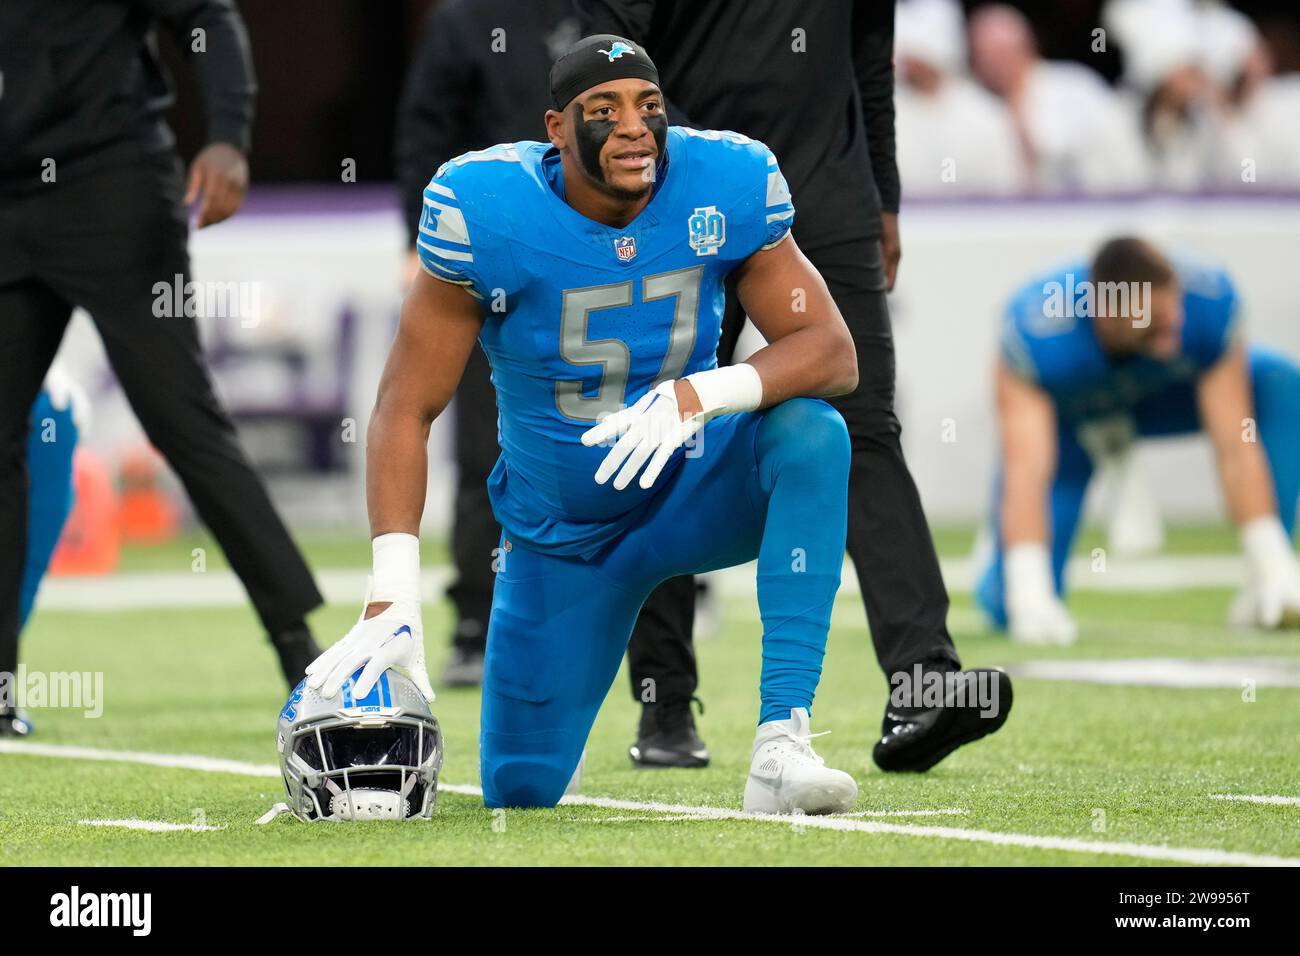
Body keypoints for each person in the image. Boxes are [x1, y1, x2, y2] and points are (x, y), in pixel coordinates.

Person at [307, 35, 863, 813]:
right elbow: (407, 406)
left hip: (690, 491)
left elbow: (832, 353)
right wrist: (389, 593)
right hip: (561, 535)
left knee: (812, 433)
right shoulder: (486, 209)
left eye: (649, 106)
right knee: (520, 789)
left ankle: (782, 743)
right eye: (605, 111)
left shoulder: (724, 181)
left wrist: (696, 396)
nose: (635, 126)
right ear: (557, 130)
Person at [577, 0, 1011, 772]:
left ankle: (925, 682)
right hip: (686, 196)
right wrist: (650, 177)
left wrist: (883, 191)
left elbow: (869, 59)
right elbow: (609, 55)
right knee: (666, 422)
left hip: (825, 190)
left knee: (865, 421)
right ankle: (665, 701)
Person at [0, 0, 324, 734]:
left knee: (182, 420)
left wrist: (230, 137)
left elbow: (207, 17)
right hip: (6, 201)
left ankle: (301, 652)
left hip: (109, 184)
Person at [976, 237, 1300, 643]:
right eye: (1157, 321)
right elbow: (1026, 470)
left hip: (1162, 395)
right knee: (1008, 604)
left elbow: (1235, 443)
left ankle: (1270, 578)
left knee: (1279, 384)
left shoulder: (1206, 299)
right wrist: (1028, 592)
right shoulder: (1039, 327)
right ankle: (1012, 579)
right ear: (1107, 317)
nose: (1175, 325)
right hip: (1074, 419)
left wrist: (1271, 560)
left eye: (1175, 309)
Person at [394, 0, 581, 687]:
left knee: (641, 430)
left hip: (609, 257)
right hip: (493, 263)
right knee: (485, 443)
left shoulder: (622, 12)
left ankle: (655, 612)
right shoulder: (465, 19)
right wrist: (426, 240)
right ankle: (476, 617)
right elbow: (425, 132)